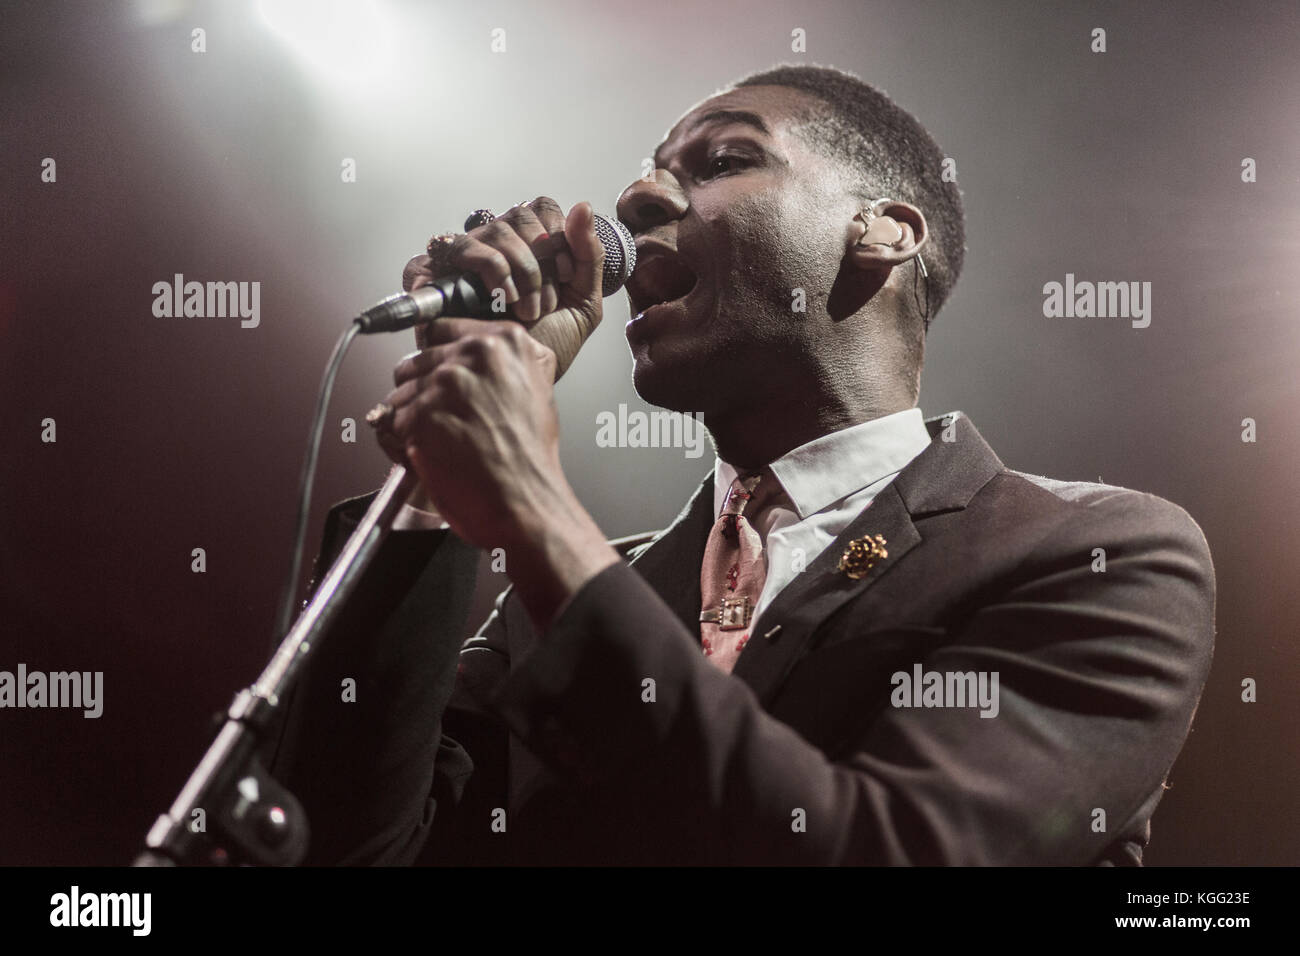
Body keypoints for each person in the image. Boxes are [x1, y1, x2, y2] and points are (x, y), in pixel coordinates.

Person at [265, 64, 1215, 865]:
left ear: (888, 230)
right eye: (644, 175)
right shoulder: (566, 600)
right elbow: (349, 851)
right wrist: (435, 480)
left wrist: (530, 507)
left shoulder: (1097, 553)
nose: (636, 201)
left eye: (724, 159)